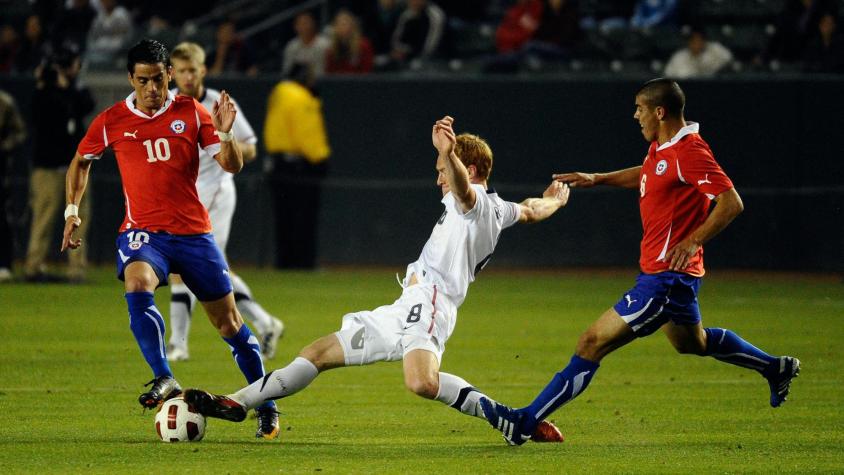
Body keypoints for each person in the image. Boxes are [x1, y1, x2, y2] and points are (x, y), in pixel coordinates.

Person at [183, 116, 569, 443]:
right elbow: (532, 209)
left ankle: (508, 420)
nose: (439, 181)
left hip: (432, 303)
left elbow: (465, 192)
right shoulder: (500, 208)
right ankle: (236, 403)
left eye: (441, 173)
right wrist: (555, 199)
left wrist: (446, 154)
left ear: (466, 170)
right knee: (317, 353)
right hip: (405, 307)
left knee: (421, 382)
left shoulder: (476, 205)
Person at [479, 78, 801, 446]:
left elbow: (731, 202)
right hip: (670, 277)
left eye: (640, 108)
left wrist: (693, 239)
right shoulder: (663, 149)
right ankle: (774, 367)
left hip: (665, 279)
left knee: (590, 343)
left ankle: (524, 422)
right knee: (690, 343)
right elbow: (650, 173)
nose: (635, 115)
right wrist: (598, 178)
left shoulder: (691, 152)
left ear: (660, 111)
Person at [60, 39, 280, 440]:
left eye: (159, 80)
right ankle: (163, 377)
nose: (151, 89)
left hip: (193, 233)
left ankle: (267, 405)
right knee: (137, 281)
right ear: (131, 79)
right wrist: (72, 211)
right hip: (144, 232)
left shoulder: (191, 112)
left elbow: (230, 165)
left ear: (169, 77)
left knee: (230, 323)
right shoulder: (111, 119)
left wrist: (227, 135)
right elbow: (81, 161)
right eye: (143, 81)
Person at [167, 41, 284, 361]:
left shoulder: (219, 102)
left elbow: (250, 148)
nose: (187, 76)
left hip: (216, 192)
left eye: (193, 70)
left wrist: (223, 139)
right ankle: (266, 322)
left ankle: (178, 344)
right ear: (172, 73)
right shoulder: (169, 105)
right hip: (185, 198)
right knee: (204, 269)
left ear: (203, 70)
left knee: (194, 267)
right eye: (181, 71)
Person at [25, 44, 94, 283]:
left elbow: (88, 104)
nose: (73, 68)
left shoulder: (76, 90)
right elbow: (38, 114)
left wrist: (69, 86)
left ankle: (76, 270)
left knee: (80, 218)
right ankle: (33, 266)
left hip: (76, 166)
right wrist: (51, 83)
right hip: (47, 166)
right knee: (44, 216)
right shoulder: (44, 91)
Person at [263, 63, 330, 269]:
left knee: (284, 218)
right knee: (304, 217)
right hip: (301, 165)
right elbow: (307, 133)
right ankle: (304, 264)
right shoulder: (301, 97)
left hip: (277, 162)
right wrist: (320, 158)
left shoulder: (278, 94)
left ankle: (284, 263)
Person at [0, 89, 27, 282]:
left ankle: (4, 264)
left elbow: (20, 132)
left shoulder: (4, 102)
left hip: (0, 167)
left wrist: (4, 147)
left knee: (2, 217)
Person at [664, 28, 733, 79]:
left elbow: (729, 59)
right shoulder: (679, 57)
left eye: (698, 40)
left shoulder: (715, 49)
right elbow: (668, 76)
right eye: (692, 40)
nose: (696, 43)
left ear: (704, 40)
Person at [325, 9, 374, 74]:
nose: (342, 27)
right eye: (339, 24)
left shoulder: (364, 45)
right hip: (338, 82)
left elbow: (367, 70)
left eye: (345, 24)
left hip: (359, 82)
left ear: (352, 26)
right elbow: (329, 73)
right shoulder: (331, 50)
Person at [282, 12, 329, 78]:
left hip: (322, 82)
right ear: (295, 27)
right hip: (297, 84)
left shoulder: (325, 45)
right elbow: (287, 72)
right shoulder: (291, 46)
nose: (304, 27)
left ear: (313, 24)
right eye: (301, 24)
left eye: (306, 23)